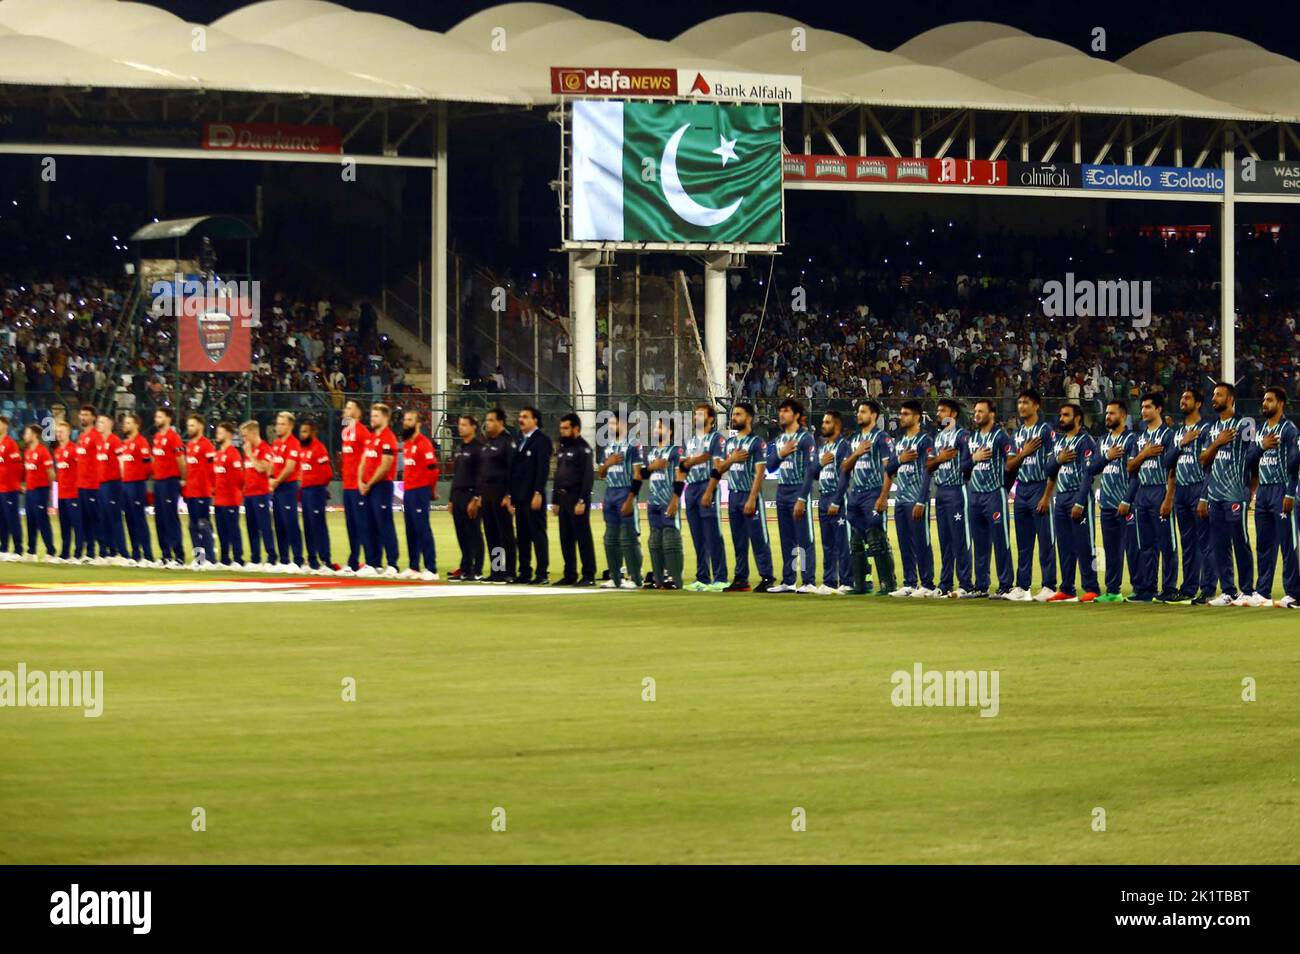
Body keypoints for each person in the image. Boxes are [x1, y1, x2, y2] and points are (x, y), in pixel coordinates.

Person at [703, 401, 774, 593]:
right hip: (733, 496)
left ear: (749, 418)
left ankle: (767, 577)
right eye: (733, 415)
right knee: (738, 540)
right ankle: (741, 578)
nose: (734, 418)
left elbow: (760, 472)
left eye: (738, 414)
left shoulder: (756, 442)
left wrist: (752, 498)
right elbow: (720, 468)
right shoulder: (731, 443)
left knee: (759, 538)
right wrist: (732, 459)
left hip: (749, 495)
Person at [1198, 382, 1256, 605]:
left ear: (1230, 399)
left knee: (1240, 542)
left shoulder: (1245, 424)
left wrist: (1250, 489)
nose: (1214, 398)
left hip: (1235, 495)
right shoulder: (1212, 429)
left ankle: (1248, 591)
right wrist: (1217, 443)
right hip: (1216, 497)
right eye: (1213, 394)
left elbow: (1254, 457)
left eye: (1219, 395)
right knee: (1220, 544)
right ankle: (1228, 591)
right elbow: (1203, 460)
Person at [1119, 393, 1178, 603]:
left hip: (1160, 490)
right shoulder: (1140, 437)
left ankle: (1169, 587)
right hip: (1142, 493)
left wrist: (1169, 498)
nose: (1143, 410)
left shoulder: (1168, 435)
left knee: (1166, 543)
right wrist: (1145, 454)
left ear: (1159, 409)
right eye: (1142, 407)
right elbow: (1130, 466)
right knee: (1146, 545)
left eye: (1148, 407)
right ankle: (1148, 588)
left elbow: (1173, 469)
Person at [1245, 386, 1299, 607]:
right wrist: (1261, 445)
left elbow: (1295, 464)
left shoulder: (1288, 429)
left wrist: (1289, 492)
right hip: (1264, 492)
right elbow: (1249, 461)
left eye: (1269, 400)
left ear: (1281, 403)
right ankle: (1263, 591)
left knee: (1288, 544)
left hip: (1281, 489)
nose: (1264, 404)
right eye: (1264, 400)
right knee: (1264, 544)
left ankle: (1295, 593)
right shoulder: (1261, 432)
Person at [1044, 402, 1100, 602]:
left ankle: (1092, 587)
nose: (1061, 418)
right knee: (1065, 545)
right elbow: (1049, 470)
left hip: (1079, 495)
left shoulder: (1086, 441)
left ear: (1077, 418)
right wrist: (1059, 460)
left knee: (1085, 544)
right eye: (1060, 415)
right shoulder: (1059, 442)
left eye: (1066, 415)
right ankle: (1067, 588)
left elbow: (1088, 474)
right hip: (1061, 497)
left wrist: (1080, 502)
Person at [1006, 388, 1057, 601]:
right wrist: (1024, 453)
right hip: (1022, 490)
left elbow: (1053, 465)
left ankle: (1048, 585)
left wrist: (1046, 496)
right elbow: (1009, 465)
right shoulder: (1017, 434)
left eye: (1026, 402)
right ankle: (1023, 587)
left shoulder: (1045, 431)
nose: (1021, 407)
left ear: (1037, 406)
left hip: (1039, 487)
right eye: (1019, 403)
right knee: (1023, 541)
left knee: (1045, 539)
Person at [842, 399, 896, 595]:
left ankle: (888, 583)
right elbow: (845, 466)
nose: (858, 414)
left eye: (863, 411)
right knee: (856, 542)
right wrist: (856, 453)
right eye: (858, 411)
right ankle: (862, 583)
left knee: (876, 539)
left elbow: (889, 469)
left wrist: (883, 496)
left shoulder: (882, 438)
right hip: (856, 493)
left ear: (873, 415)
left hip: (874, 492)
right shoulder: (854, 439)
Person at [963, 399, 1015, 599]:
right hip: (975, 495)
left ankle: (1005, 585)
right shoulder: (973, 438)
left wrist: (1004, 486)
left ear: (991, 414)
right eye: (975, 411)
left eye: (980, 411)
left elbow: (1012, 464)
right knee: (980, 543)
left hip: (994, 494)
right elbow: (964, 467)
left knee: (1000, 540)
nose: (976, 414)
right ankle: (981, 586)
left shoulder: (1001, 437)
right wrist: (974, 459)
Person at [767, 397, 817, 593]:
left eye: (786, 411)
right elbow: (770, 466)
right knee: (787, 538)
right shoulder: (780, 440)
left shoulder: (806, 438)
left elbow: (811, 470)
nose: (781, 414)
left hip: (798, 490)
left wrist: (802, 498)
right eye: (780, 410)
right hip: (782, 491)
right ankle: (788, 580)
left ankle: (808, 581)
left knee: (804, 538)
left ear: (796, 415)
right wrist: (782, 453)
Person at [887, 399, 936, 597]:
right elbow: (889, 467)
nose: (901, 417)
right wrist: (900, 459)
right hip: (900, 500)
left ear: (917, 417)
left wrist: (921, 500)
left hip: (916, 499)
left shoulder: (925, 441)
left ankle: (928, 584)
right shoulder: (900, 442)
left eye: (906, 414)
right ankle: (909, 582)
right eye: (901, 413)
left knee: (921, 541)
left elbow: (928, 471)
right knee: (904, 542)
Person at [1092, 400, 1139, 603]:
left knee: (1132, 548)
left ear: (1123, 415)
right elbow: (1092, 468)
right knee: (1110, 549)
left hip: (1126, 505)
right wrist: (1107, 457)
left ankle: (1140, 589)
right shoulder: (1102, 441)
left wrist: (1127, 499)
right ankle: (1113, 591)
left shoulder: (1131, 440)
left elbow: (1136, 474)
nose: (1107, 416)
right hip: (1107, 504)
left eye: (1112, 413)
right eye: (1107, 413)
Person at [1169, 389, 1213, 602]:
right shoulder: (1177, 432)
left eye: (1187, 398)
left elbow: (1208, 462)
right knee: (1187, 543)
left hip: (1198, 486)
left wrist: (1205, 494)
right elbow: (1166, 461)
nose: (1182, 400)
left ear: (1198, 404)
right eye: (1182, 397)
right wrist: (1181, 443)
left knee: (1205, 541)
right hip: (1181, 490)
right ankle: (1188, 588)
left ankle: (1208, 588)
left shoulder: (1206, 429)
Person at [680, 403, 728, 591]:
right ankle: (702, 577)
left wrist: (709, 491)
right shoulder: (690, 441)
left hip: (707, 485)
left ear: (711, 419)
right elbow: (684, 465)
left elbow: (717, 465)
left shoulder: (717, 439)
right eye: (695, 414)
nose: (696, 418)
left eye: (700, 414)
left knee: (713, 534)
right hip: (691, 487)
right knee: (697, 536)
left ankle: (721, 577)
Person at [928, 398, 973, 598]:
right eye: (937, 411)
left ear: (953, 414)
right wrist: (940, 459)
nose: (938, 414)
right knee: (945, 540)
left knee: (959, 538)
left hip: (957, 490)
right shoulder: (938, 438)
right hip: (941, 491)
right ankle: (945, 583)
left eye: (942, 410)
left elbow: (967, 465)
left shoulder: (962, 436)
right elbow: (931, 464)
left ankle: (965, 584)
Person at [597, 414, 643, 589]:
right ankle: (615, 577)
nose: (610, 427)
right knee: (610, 538)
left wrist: (630, 498)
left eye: (614, 423)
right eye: (609, 424)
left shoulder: (633, 445)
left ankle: (635, 578)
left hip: (625, 491)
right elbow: (600, 473)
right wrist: (607, 464)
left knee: (629, 537)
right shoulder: (607, 447)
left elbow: (638, 475)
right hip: (610, 493)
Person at [507, 406, 551, 585]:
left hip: (533, 495)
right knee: (523, 536)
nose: (521, 419)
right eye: (520, 416)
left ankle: (542, 573)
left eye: (525, 417)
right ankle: (524, 571)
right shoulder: (520, 440)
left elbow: (542, 469)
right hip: (520, 496)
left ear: (535, 420)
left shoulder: (542, 441)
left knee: (538, 535)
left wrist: (538, 492)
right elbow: (515, 470)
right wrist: (511, 494)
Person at [357, 403, 401, 577]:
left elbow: (386, 465)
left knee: (384, 525)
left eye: (376, 416)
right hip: (368, 487)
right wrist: (360, 481)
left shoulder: (388, 437)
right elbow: (363, 461)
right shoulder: (370, 438)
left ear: (385, 418)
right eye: (372, 415)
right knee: (369, 526)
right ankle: (372, 563)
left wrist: (369, 483)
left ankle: (392, 564)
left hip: (381, 486)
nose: (372, 418)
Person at [552, 412, 596, 586]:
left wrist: (582, 500)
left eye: (565, 428)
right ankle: (569, 574)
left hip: (576, 497)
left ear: (575, 428)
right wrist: (555, 499)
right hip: (563, 498)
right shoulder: (563, 449)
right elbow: (558, 476)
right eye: (561, 428)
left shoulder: (583, 449)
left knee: (583, 537)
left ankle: (588, 575)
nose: (562, 431)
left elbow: (587, 477)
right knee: (566, 538)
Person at [642, 416, 684, 589]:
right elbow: (644, 475)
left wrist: (675, 499)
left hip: (668, 500)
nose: (656, 431)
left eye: (660, 428)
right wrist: (652, 466)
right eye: (655, 428)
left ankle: (674, 578)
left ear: (670, 431)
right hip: (653, 502)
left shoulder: (675, 451)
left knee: (670, 539)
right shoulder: (652, 453)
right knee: (655, 541)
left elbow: (680, 475)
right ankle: (658, 578)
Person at [399, 408, 440, 581]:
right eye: (405, 419)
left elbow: (433, 469)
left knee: (423, 528)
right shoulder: (407, 444)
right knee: (411, 530)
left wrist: (430, 490)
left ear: (417, 424)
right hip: (408, 491)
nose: (405, 422)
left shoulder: (424, 443)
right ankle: (414, 566)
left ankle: (431, 568)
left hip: (420, 490)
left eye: (409, 420)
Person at [815, 409, 851, 595]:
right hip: (823, 497)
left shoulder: (844, 446)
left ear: (836, 425)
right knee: (827, 543)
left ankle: (847, 581)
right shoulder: (823, 448)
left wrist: (837, 501)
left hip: (837, 498)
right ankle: (829, 581)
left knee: (842, 541)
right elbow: (814, 472)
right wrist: (820, 463)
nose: (823, 425)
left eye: (827, 422)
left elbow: (845, 475)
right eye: (823, 422)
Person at [479, 408, 517, 582]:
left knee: (505, 533)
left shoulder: (507, 442)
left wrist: (510, 494)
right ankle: (496, 570)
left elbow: (513, 470)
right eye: (487, 420)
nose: (487, 423)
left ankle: (509, 571)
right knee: (491, 533)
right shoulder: (487, 443)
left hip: (501, 492)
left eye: (491, 420)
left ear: (501, 422)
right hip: (487, 493)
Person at [297, 418, 335, 572]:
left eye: (305, 431)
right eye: (301, 432)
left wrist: (319, 487)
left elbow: (327, 473)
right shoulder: (302, 449)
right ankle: (312, 560)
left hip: (316, 492)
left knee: (318, 526)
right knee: (308, 526)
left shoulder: (319, 448)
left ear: (313, 432)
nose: (302, 435)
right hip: (305, 492)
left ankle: (326, 559)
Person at [268, 412, 304, 572]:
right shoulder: (276, 443)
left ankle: (297, 560)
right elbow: (272, 463)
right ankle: (283, 559)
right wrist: (270, 477)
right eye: (277, 423)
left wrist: (275, 481)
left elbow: (289, 467)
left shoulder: (294, 443)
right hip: (277, 488)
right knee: (279, 524)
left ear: (290, 426)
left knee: (291, 523)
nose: (278, 426)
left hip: (288, 487)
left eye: (282, 424)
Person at [117, 413, 155, 566]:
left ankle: (148, 555)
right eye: (124, 423)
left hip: (137, 485)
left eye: (128, 423)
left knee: (139, 520)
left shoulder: (142, 442)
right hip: (125, 484)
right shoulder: (124, 444)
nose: (124, 425)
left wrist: (140, 477)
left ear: (136, 425)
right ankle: (135, 554)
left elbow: (148, 464)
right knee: (130, 520)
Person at [151, 407, 187, 567]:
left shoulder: (173, 437)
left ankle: (178, 555)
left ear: (168, 419)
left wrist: (183, 478)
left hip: (169, 481)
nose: (156, 419)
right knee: (159, 518)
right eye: (156, 416)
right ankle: (165, 555)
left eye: (159, 416)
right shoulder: (157, 437)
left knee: (170, 517)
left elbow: (181, 460)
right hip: (158, 482)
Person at [448, 414, 482, 581]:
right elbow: (456, 475)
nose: (460, 427)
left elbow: (480, 475)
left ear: (473, 427)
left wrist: (476, 498)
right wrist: (451, 499)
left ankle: (477, 568)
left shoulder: (478, 448)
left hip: (470, 495)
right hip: (458, 495)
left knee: (474, 532)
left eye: (464, 425)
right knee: (461, 533)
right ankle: (466, 567)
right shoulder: (461, 447)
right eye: (459, 424)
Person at [240, 420, 277, 570]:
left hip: (261, 493)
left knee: (265, 526)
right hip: (248, 493)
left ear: (254, 433)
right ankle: (255, 559)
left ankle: (271, 557)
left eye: (245, 436)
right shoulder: (249, 449)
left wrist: (250, 455)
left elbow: (263, 468)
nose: (244, 439)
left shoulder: (265, 449)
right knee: (251, 527)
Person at [340, 399, 371, 573]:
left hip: (358, 487)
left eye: (349, 408)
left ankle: (370, 562)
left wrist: (364, 481)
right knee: (351, 525)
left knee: (362, 524)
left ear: (358, 413)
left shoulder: (363, 432)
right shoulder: (345, 432)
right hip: (347, 486)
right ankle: (353, 562)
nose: (345, 410)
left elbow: (367, 459)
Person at [182, 413, 217, 567]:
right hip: (191, 492)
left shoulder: (207, 445)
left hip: (203, 491)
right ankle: (199, 558)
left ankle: (210, 558)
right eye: (188, 425)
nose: (189, 428)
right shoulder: (189, 445)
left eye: (192, 425)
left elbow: (213, 469)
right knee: (192, 526)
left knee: (204, 524)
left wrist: (212, 489)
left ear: (200, 426)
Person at [212, 421, 245, 568]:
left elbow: (239, 478)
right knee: (222, 531)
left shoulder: (234, 454)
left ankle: (238, 558)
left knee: (233, 530)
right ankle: (224, 559)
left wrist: (234, 493)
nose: (217, 434)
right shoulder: (218, 454)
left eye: (221, 431)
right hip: (219, 500)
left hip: (231, 499)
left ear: (229, 435)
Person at [75, 404, 104, 564]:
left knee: (95, 519)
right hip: (81, 485)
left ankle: (101, 553)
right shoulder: (81, 436)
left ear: (93, 418)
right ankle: (89, 552)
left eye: (86, 415)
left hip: (93, 485)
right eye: (81, 414)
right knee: (85, 519)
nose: (83, 417)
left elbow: (100, 459)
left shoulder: (96, 436)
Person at [20, 424, 55, 559]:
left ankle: (50, 551)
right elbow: (29, 472)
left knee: (42, 521)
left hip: (41, 491)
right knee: (30, 521)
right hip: (30, 491)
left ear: (34, 435)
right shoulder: (28, 451)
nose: (24, 436)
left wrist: (49, 490)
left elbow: (51, 473)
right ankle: (31, 551)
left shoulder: (43, 451)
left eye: (27, 433)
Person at [95, 413, 127, 560]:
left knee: (115, 518)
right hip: (101, 484)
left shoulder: (115, 441)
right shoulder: (100, 442)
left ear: (110, 424)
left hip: (113, 484)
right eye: (98, 422)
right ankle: (109, 551)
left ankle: (122, 552)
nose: (98, 424)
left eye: (101, 422)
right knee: (103, 518)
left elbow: (122, 463)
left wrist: (122, 481)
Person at [53, 420, 84, 562]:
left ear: (69, 433)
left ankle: (78, 553)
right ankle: (65, 553)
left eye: (62, 432)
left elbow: (81, 470)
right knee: (64, 525)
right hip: (61, 494)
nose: (59, 435)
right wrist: (55, 499)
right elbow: (57, 476)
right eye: (57, 432)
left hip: (73, 494)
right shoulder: (57, 451)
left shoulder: (74, 449)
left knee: (77, 524)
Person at [0, 414, 23, 561]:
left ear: (5, 426)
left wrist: (16, 484)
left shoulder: (11, 443)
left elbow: (17, 467)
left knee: (12, 519)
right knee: (1, 520)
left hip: (9, 489)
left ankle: (18, 549)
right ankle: (3, 548)